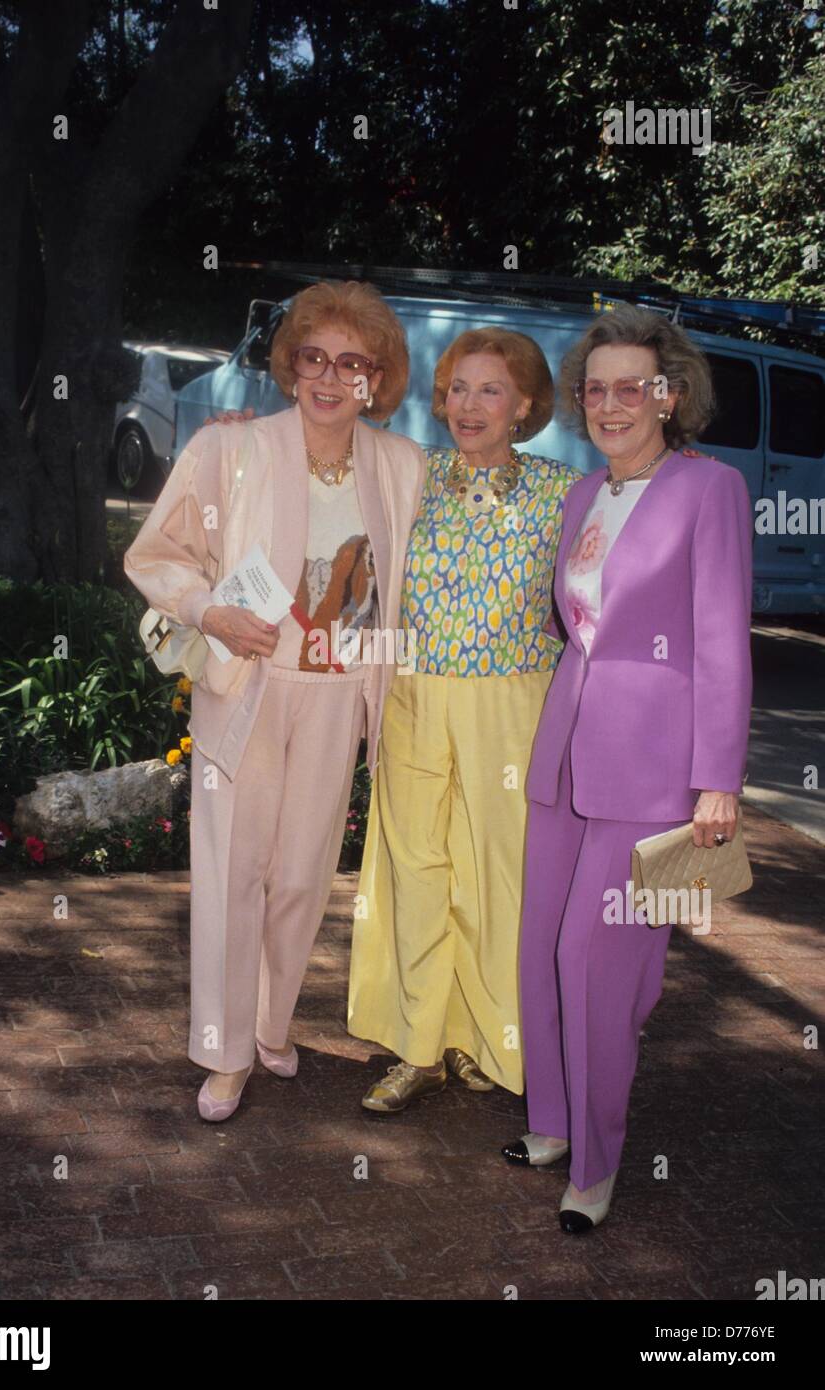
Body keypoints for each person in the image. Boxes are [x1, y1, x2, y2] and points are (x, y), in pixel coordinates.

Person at [124, 280, 426, 1121]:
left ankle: (271, 1025)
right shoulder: (233, 449)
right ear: (291, 365)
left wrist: (658, 459)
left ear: (377, 378)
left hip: (341, 696)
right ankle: (222, 1054)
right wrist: (206, 609)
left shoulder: (403, 467)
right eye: (314, 357)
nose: (331, 377)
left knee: (300, 879)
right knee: (232, 873)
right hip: (246, 688)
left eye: (353, 363)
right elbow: (159, 552)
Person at [503, 303, 753, 1232]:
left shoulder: (709, 487)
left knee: (596, 962)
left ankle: (598, 1167)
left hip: (655, 770)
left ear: (670, 394)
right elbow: (579, 629)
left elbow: (724, 638)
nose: (611, 403)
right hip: (565, 752)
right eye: (595, 388)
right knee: (538, 948)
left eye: (632, 386)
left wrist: (717, 777)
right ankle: (553, 1124)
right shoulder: (581, 494)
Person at [346, 328, 579, 1111]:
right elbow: (321, 458)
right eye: (456, 389)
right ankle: (419, 1047)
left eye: (489, 391)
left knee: (499, 882)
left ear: (523, 406)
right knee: (415, 875)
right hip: (415, 698)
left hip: (511, 709)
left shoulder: (563, 491)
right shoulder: (411, 474)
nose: (468, 406)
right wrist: (232, 434)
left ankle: (492, 1043)